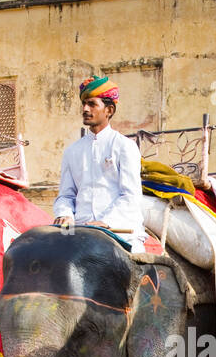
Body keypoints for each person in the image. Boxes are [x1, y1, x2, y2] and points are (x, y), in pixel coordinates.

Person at [53, 75, 146, 251]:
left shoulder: (124, 146)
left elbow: (131, 196)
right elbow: (66, 195)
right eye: (84, 104)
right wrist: (65, 215)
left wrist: (105, 222)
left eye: (92, 104)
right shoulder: (72, 151)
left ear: (109, 110)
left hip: (120, 231)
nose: (85, 109)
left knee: (139, 273)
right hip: (81, 232)